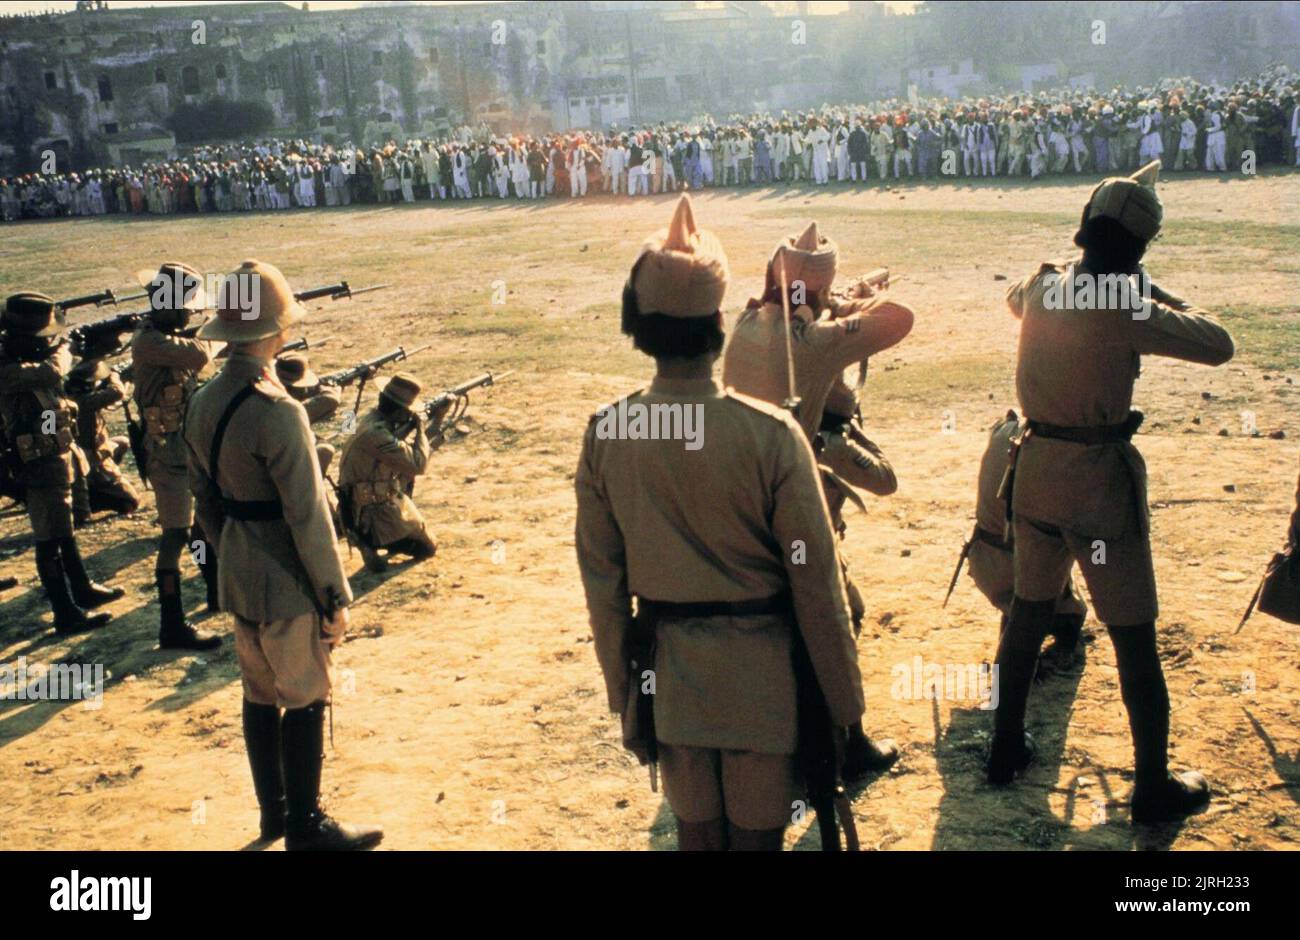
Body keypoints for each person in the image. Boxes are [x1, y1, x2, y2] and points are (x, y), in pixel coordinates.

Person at [575, 196, 866, 851]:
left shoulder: (608, 431)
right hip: (762, 676)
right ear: (714, 322)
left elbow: (602, 585)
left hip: (668, 677)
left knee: (697, 839)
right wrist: (843, 707)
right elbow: (815, 581)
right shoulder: (770, 434)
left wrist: (628, 696)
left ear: (639, 324)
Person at [992, 160, 1234, 824]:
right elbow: (1220, 345)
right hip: (1096, 483)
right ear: (1140, 249)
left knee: (1027, 613)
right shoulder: (1129, 305)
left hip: (1036, 469)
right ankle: (1151, 785)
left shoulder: (1043, 291)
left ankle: (1005, 743)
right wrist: (1161, 299)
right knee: (1133, 636)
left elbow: (1018, 293)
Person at [185, 259, 381, 851]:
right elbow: (308, 516)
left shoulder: (204, 400)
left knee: (258, 694)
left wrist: (230, 553)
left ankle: (274, 815)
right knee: (306, 694)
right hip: (289, 577)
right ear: (275, 332)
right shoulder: (279, 411)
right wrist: (333, 594)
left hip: (238, 570)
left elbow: (204, 499)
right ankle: (306, 825)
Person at [721, 222, 912, 778]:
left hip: (739, 503)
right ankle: (844, 744)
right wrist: (849, 305)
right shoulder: (814, 343)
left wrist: (827, 303)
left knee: (779, 617)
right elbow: (900, 319)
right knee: (834, 615)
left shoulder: (747, 322)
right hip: (792, 506)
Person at [0, 292, 123, 634]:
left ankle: (80, 588)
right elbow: (52, 370)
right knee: (48, 540)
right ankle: (64, 611)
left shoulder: (24, 360)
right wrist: (64, 347)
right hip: (36, 462)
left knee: (63, 531)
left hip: (54, 454)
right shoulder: (11, 369)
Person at [131, 262, 222, 650]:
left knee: (198, 527)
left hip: (183, 449)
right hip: (166, 453)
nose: (189, 312)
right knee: (176, 536)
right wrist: (223, 329)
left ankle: (215, 588)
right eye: (184, 304)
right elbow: (200, 355)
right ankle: (172, 624)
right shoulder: (151, 341)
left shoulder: (163, 334)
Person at [963, 409, 1086, 671]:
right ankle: (1031, 660)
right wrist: (1099, 555)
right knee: (1069, 615)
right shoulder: (1057, 447)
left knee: (1019, 595)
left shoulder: (1005, 429)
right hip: (1021, 570)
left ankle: (1014, 647)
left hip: (984, 562)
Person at [337, 373, 450, 573]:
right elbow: (417, 465)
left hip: (366, 499)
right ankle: (369, 541)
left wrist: (434, 420)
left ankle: (376, 539)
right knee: (427, 548)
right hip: (370, 508)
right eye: (407, 412)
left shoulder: (372, 419)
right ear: (398, 412)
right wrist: (422, 428)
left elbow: (404, 451)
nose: (409, 416)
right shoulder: (376, 434)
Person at [67, 354, 140, 525]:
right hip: (90, 458)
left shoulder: (71, 398)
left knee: (121, 442)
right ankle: (99, 489)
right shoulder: (86, 402)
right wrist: (114, 374)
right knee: (131, 501)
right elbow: (117, 392)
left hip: (83, 455)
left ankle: (103, 481)